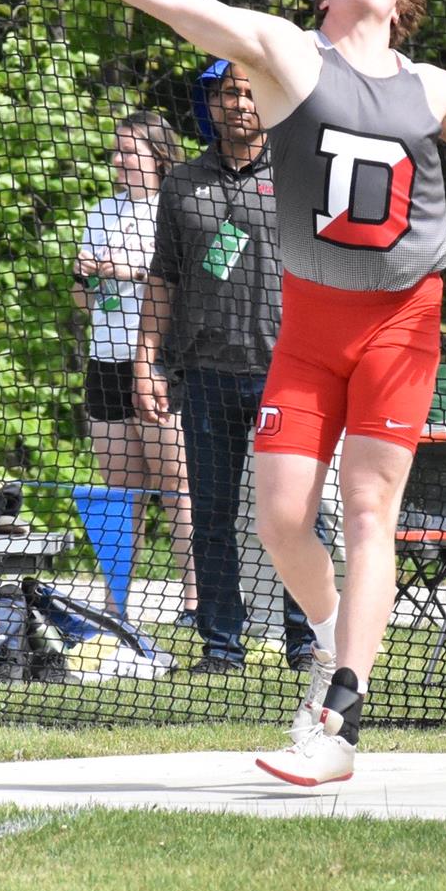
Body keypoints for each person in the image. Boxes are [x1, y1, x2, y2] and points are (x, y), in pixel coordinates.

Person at [12, 0, 446, 785]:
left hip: (401, 322)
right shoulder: (289, 53)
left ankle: (339, 711)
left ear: (402, 0)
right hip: (307, 327)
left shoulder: (432, 86)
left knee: (373, 511)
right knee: (279, 520)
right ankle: (341, 634)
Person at [131, 65, 312, 671]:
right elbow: (164, 278)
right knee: (211, 514)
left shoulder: (299, 174)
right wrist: (145, 361)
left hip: (288, 372)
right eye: (226, 93)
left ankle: (305, 640)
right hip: (204, 374)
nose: (239, 103)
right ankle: (221, 645)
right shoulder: (181, 183)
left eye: (249, 92)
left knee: (291, 513)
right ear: (209, 103)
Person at [76, 111, 195, 622]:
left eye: (130, 151)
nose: (119, 160)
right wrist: (88, 279)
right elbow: (82, 303)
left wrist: (131, 271)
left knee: (176, 484)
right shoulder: (102, 211)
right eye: (117, 150)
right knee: (121, 493)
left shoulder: (178, 207)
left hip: (159, 362)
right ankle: (117, 606)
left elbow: (190, 290)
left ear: (158, 156)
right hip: (105, 361)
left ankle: (194, 602)